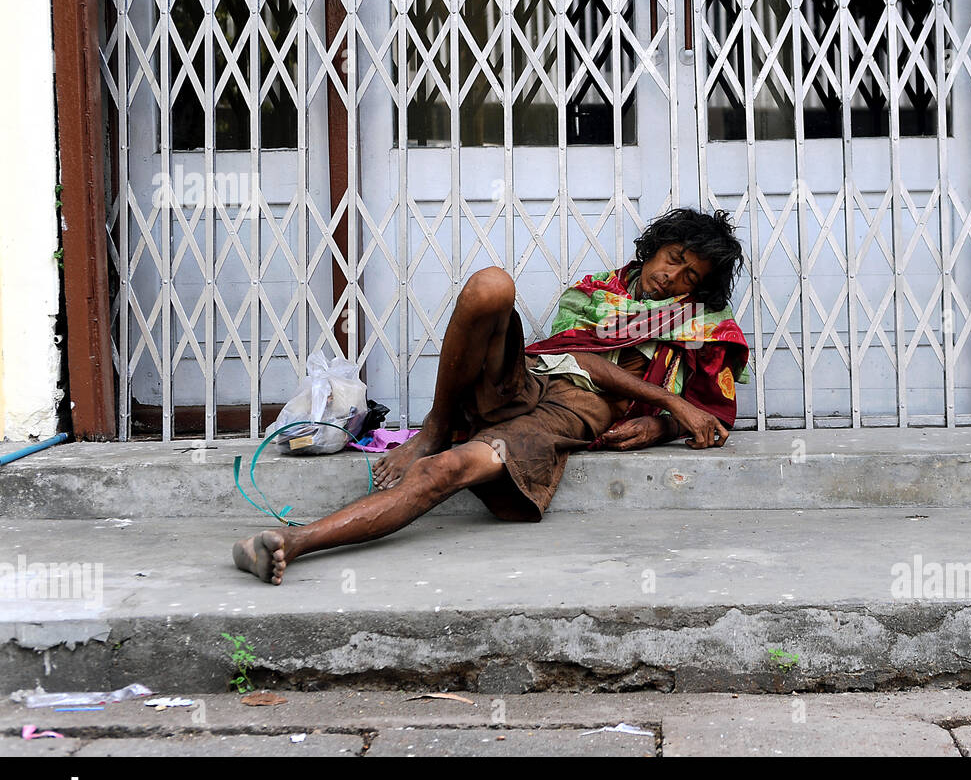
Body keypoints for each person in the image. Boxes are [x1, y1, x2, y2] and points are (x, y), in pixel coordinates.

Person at [233, 208, 750, 584]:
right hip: (527, 378)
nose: (671, 277)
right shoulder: (595, 292)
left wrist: (661, 424)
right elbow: (578, 356)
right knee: (491, 286)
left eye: (689, 277)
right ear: (654, 247)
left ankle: (292, 543)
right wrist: (668, 401)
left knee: (442, 472)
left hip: (569, 412)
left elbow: (714, 412)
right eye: (672, 258)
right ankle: (435, 426)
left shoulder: (703, 327)